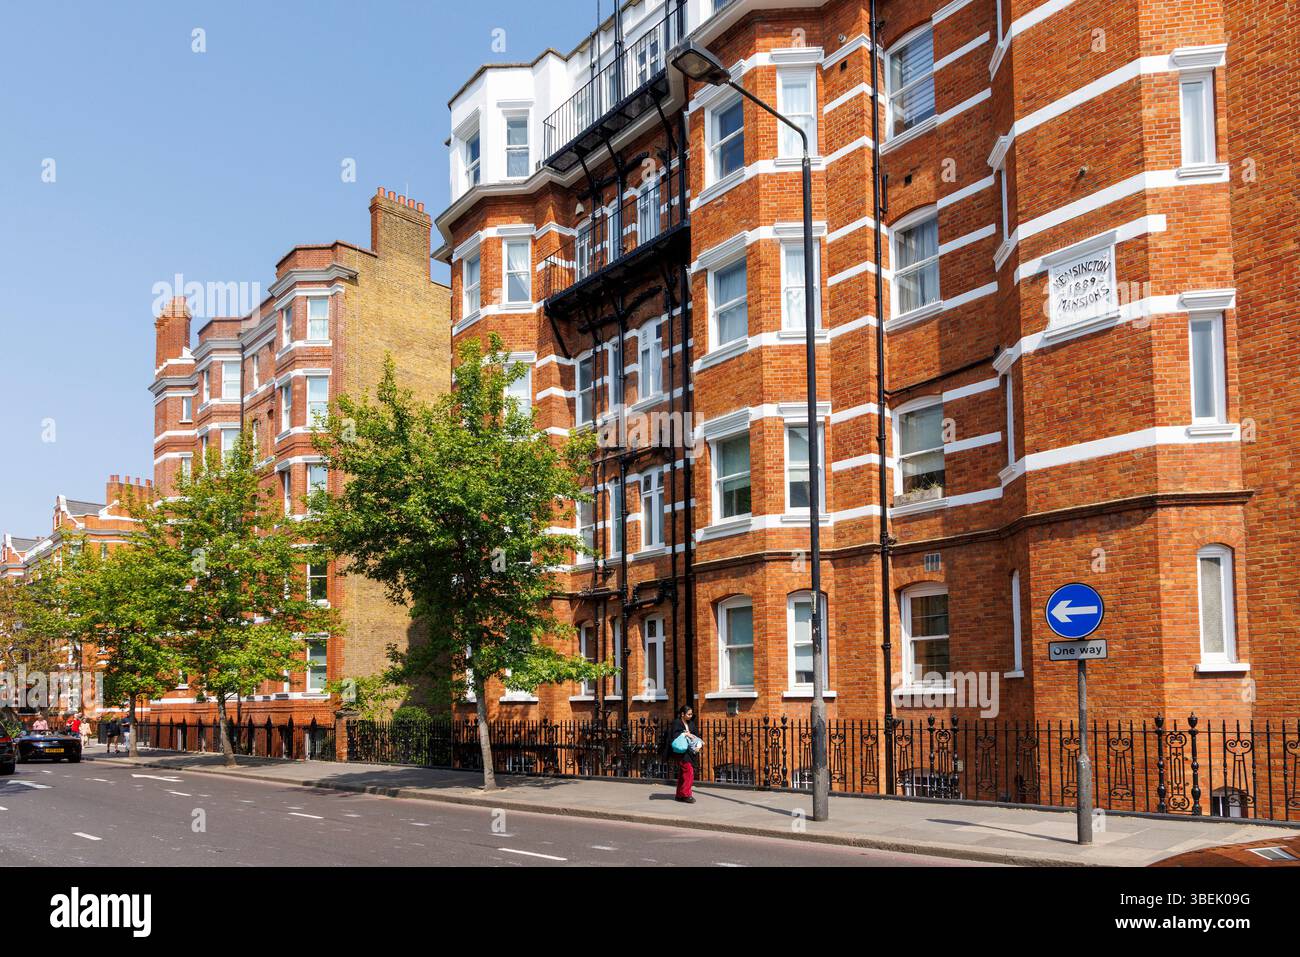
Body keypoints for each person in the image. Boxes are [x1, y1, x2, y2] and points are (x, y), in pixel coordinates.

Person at [662, 705, 700, 803]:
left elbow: (696, 735)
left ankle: (679, 795)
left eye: (691, 714)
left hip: (689, 751)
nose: (690, 716)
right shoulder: (676, 723)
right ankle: (686, 794)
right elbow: (673, 736)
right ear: (682, 714)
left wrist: (697, 744)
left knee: (683, 773)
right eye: (689, 714)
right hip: (680, 752)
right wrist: (685, 734)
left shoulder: (691, 723)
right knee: (689, 772)